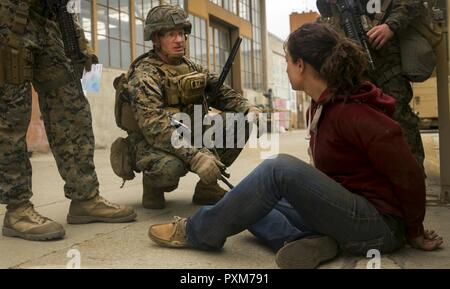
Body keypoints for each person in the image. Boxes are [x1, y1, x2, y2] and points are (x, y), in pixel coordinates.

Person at [146, 23, 443, 269]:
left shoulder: (356, 112)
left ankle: (199, 232)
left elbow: (410, 175)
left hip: (379, 227)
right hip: (345, 212)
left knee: (278, 169)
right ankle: (301, 241)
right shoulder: (321, 105)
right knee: (245, 198)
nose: (286, 68)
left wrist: (414, 231)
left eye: (287, 60)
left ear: (301, 65)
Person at [0, 0, 136, 241]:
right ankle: (17, 209)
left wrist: (78, 37)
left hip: (51, 15)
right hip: (10, 14)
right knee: (10, 115)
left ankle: (85, 197)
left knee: (72, 108)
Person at [113, 4, 260, 210]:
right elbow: (156, 129)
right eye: (171, 34)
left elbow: (223, 93)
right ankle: (152, 184)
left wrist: (248, 108)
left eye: (182, 33)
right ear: (155, 39)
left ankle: (207, 187)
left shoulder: (192, 68)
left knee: (242, 122)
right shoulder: (144, 75)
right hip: (154, 141)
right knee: (171, 169)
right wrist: (197, 157)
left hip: (191, 130)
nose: (179, 39)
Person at [316, 0, 426, 168]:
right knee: (362, 125)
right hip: (355, 69)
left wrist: (390, 26)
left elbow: (413, 3)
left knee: (400, 120)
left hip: (387, 67)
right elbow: (326, 12)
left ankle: (414, 177)